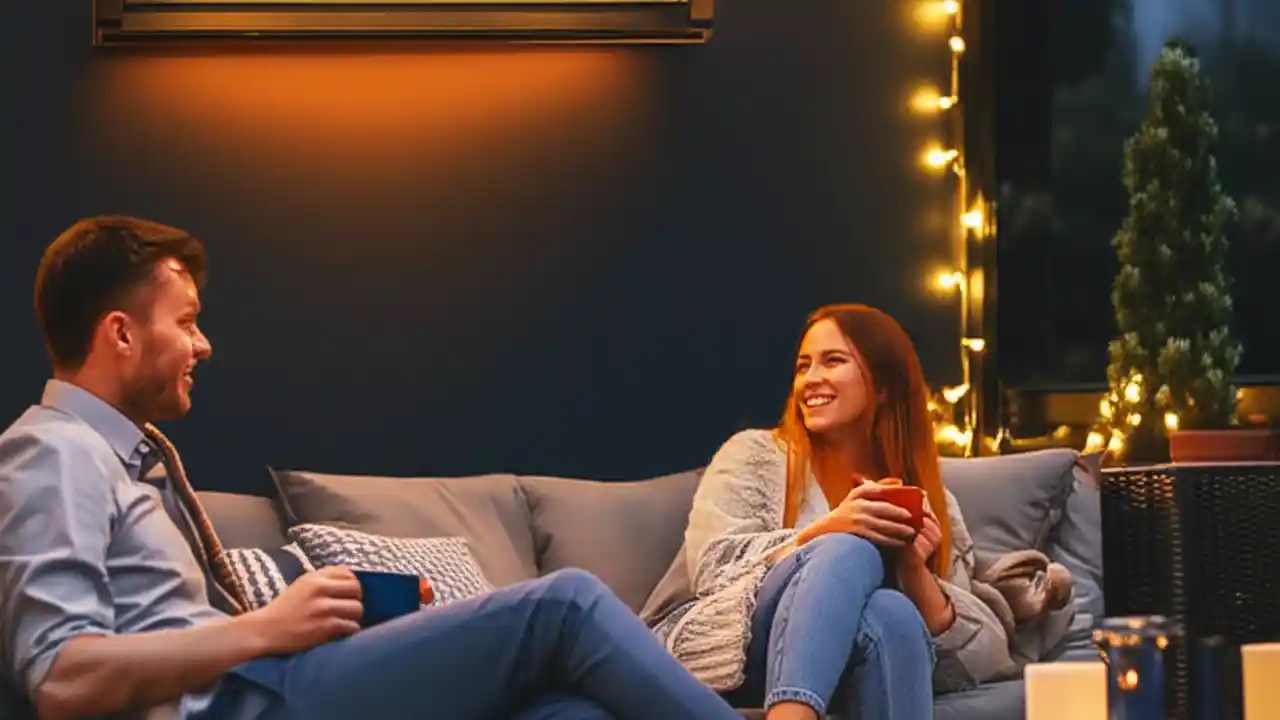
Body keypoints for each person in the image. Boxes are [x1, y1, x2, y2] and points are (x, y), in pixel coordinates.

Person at [0, 215, 743, 720]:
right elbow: (62, 677)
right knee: (566, 604)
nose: (204, 346)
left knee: (565, 710)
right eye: (187, 321)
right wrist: (265, 631)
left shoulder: (120, 458)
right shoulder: (52, 451)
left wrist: (304, 621)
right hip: (250, 699)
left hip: (262, 685)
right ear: (121, 334)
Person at [650, 304, 1021, 720]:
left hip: (857, 658)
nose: (811, 379)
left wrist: (915, 572)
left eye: (833, 361)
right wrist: (828, 531)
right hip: (727, 647)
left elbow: (986, 657)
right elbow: (713, 571)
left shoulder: (931, 502)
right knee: (849, 548)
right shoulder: (755, 455)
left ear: (883, 386)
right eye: (803, 366)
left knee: (892, 613)